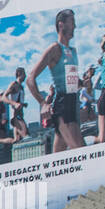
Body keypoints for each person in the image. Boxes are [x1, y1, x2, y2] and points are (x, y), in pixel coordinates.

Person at [28, 10, 85, 153]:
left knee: (58, 154)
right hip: (62, 108)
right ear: (61, 25)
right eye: (72, 22)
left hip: (72, 105)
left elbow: (72, 84)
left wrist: (83, 83)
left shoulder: (73, 51)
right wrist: (43, 103)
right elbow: (30, 79)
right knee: (81, 152)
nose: (75, 26)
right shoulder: (54, 49)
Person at [0, 68, 29, 142]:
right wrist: (14, 104)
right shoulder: (14, 84)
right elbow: (3, 97)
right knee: (26, 136)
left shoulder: (21, 87)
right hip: (16, 116)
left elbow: (18, 100)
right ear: (19, 74)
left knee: (16, 140)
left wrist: (23, 104)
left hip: (20, 114)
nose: (25, 76)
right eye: (24, 74)